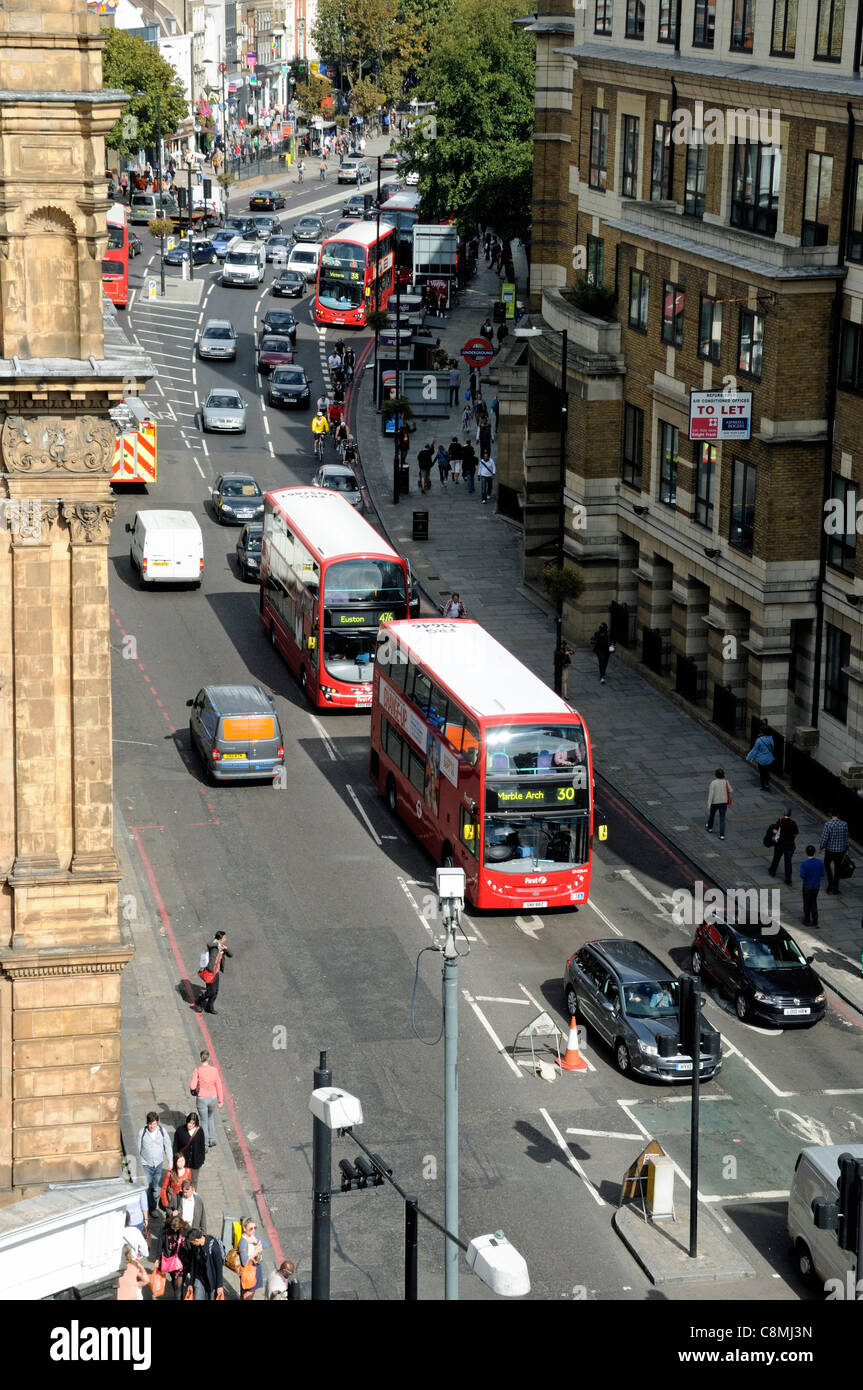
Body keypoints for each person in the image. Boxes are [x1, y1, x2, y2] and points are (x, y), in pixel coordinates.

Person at [135, 1111, 173, 1219]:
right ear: (147, 1123)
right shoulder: (142, 1133)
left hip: (158, 1165)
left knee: (155, 1188)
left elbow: (168, 1147)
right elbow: (137, 1149)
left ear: (157, 1123)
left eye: (154, 1124)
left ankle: (152, 1208)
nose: (152, 1126)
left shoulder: (162, 1131)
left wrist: (170, 1162)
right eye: (150, 1124)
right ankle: (145, 1208)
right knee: (146, 1187)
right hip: (145, 1164)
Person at [188, 1049, 224, 1150]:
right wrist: (220, 1100)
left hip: (202, 1099)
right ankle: (212, 1139)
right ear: (208, 1059)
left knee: (203, 1121)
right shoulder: (214, 1070)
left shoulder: (197, 1070)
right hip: (213, 1097)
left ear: (200, 1059)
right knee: (210, 1117)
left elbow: (192, 1086)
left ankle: (205, 1144)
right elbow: (219, 1085)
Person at [181, 1227, 224, 1301]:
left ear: (196, 1240)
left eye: (192, 1242)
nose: (191, 1244)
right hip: (199, 1278)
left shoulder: (214, 1247)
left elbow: (219, 1267)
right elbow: (193, 1264)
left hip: (212, 1279)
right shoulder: (196, 1247)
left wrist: (220, 1285)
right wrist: (191, 1283)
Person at [198, 930, 232, 1016]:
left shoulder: (222, 947)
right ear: (220, 938)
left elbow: (231, 955)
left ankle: (209, 1007)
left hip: (216, 972)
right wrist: (218, 944)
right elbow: (209, 944)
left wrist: (226, 949)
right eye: (224, 937)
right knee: (210, 991)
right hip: (210, 971)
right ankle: (199, 1001)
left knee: (215, 991)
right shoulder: (214, 945)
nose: (226, 939)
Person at [158, 1212, 188, 1300]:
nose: (175, 1230)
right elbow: (160, 1244)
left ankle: (179, 1296)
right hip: (170, 1260)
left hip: (182, 1261)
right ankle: (179, 1295)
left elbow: (189, 1246)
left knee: (178, 1284)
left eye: (177, 1228)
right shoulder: (166, 1230)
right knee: (175, 1283)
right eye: (173, 1228)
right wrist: (157, 1258)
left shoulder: (185, 1230)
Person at [819, 809, 850, 894]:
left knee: (827, 865)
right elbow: (846, 838)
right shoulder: (844, 824)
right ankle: (836, 888)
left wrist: (821, 848)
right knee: (837, 868)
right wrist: (847, 849)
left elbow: (824, 838)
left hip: (830, 850)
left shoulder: (828, 824)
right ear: (838, 814)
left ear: (830, 814)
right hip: (840, 851)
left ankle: (830, 884)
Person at [173, 1110, 207, 1183]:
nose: (190, 1125)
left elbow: (202, 1146)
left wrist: (202, 1159)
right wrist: (175, 1159)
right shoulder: (180, 1131)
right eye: (189, 1122)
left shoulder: (199, 1131)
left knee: (194, 1180)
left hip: (196, 1162)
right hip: (183, 1162)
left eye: (193, 1123)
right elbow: (175, 1146)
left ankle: (193, 1193)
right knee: (183, 1180)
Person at [769, 808, 800, 886]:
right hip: (789, 845)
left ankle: (772, 872)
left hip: (780, 844)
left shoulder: (780, 821)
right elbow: (795, 834)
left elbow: (775, 831)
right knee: (788, 862)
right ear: (790, 814)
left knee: (776, 858)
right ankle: (788, 879)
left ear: (784, 813)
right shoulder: (793, 823)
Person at [237, 1216, 264, 1301]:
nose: (253, 1230)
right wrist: (256, 1251)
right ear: (244, 1229)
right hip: (249, 1272)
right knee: (247, 1296)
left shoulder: (251, 1238)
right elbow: (245, 1262)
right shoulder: (243, 1243)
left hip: (254, 1268)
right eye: (251, 1228)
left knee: (250, 1293)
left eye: (255, 1228)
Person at [800, 845, 827, 927]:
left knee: (806, 903)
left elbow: (802, 875)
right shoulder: (819, 862)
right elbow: (822, 874)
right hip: (816, 886)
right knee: (813, 902)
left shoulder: (804, 863)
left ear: (806, 852)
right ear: (814, 852)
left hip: (807, 885)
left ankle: (807, 920)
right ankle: (815, 920)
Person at [745, 720, 775, 792]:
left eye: (760, 731)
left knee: (762, 773)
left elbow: (754, 750)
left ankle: (762, 786)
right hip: (769, 759)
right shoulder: (771, 738)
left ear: (762, 732)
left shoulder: (759, 740)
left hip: (761, 760)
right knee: (767, 772)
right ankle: (767, 784)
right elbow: (772, 748)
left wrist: (748, 757)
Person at [705, 767, 732, 840]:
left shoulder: (713, 783)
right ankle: (722, 835)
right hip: (723, 802)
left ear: (716, 775)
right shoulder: (726, 781)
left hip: (715, 803)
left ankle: (710, 828)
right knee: (722, 818)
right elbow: (730, 790)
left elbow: (711, 794)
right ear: (723, 775)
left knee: (712, 815)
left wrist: (709, 804)